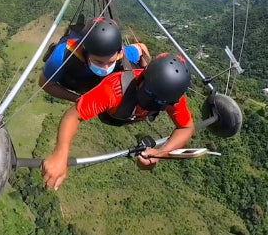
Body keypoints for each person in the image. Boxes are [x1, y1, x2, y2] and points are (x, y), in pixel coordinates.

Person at [41, 54, 194, 190]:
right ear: (143, 79)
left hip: (125, 115)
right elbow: (73, 115)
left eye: (160, 101)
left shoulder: (170, 96)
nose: (154, 102)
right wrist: (60, 154)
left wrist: (161, 153)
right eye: (149, 94)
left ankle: (140, 51)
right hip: (111, 112)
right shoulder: (113, 90)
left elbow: (186, 127)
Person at [38, 18, 149, 102]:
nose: (106, 68)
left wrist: (146, 74)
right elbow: (45, 83)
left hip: (92, 79)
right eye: (99, 62)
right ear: (85, 53)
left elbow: (142, 48)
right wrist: (80, 99)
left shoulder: (122, 54)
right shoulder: (63, 55)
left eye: (111, 62)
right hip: (72, 76)